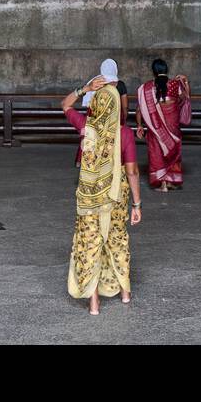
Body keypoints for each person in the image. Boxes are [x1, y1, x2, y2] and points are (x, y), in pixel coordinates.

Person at [61, 64, 143, 316]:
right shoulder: (125, 133)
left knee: (90, 242)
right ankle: (125, 292)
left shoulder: (86, 126)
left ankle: (94, 302)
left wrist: (84, 89)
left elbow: (65, 105)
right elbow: (132, 172)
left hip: (89, 194)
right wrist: (137, 205)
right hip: (115, 194)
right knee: (116, 238)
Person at [135, 58, 191, 191]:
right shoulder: (175, 85)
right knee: (172, 152)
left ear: (153, 72)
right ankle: (171, 181)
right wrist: (186, 82)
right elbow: (185, 98)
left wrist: (139, 125)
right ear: (167, 70)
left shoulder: (146, 88)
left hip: (156, 128)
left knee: (157, 153)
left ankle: (162, 184)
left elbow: (139, 110)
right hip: (173, 128)